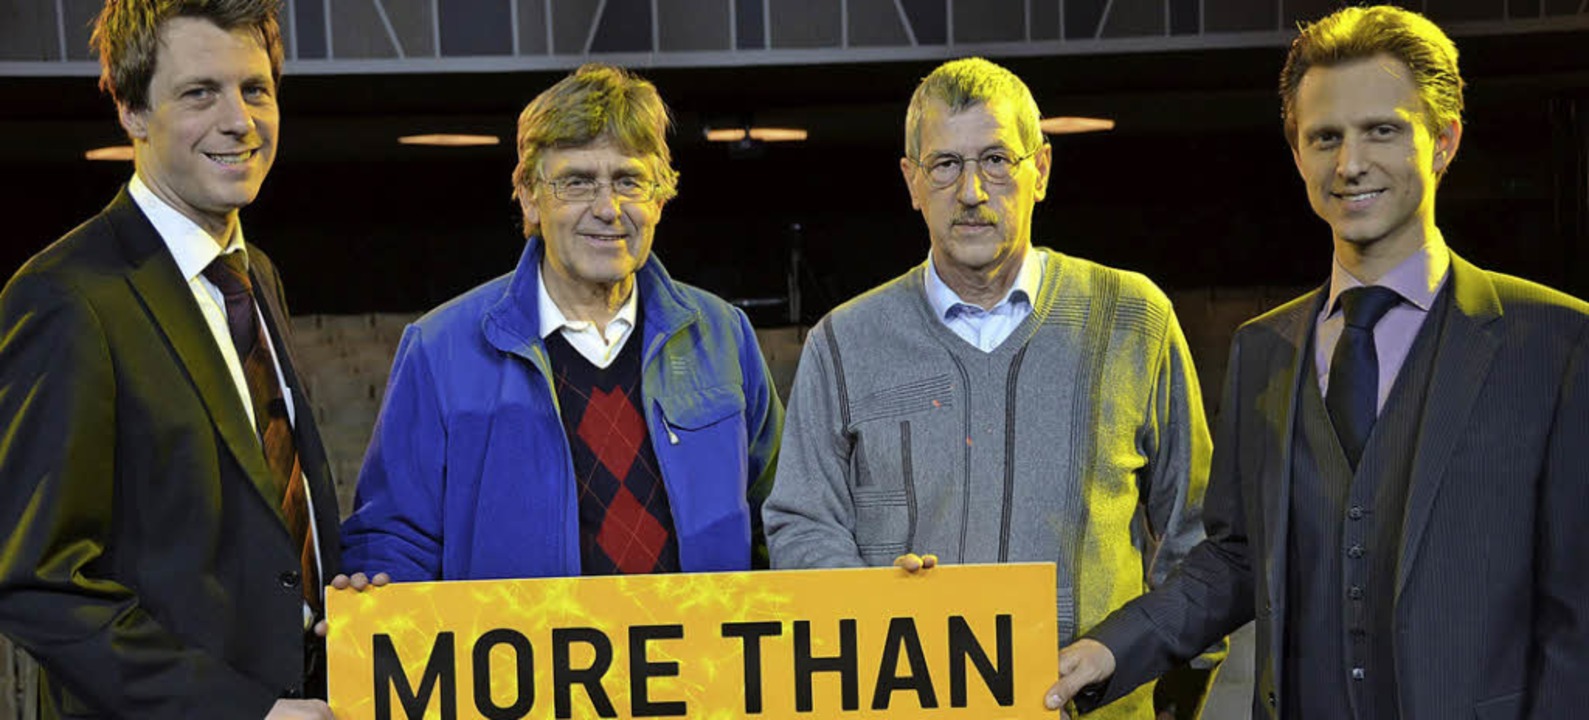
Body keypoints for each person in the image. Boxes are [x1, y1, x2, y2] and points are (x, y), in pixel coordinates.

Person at [1047, 6, 1589, 719]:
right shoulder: (1262, 348)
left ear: (1443, 141)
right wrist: (1112, 648)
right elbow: (1236, 559)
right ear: (1297, 154)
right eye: (1324, 137)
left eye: (1381, 130)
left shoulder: (1555, 343)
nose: (1350, 162)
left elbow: (1576, 616)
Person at [762, 57, 1219, 720]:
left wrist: (1166, 685)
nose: (972, 190)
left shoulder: (1132, 318)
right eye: (944, 164)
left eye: (997, 159)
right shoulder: (845, 341)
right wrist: (874, 597)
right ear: (910, 181)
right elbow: (801, 524)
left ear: (1042, 171)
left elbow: (1196, 536)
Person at [0, 1, 342, 718]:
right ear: (131, 111)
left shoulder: (257, 276)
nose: (239, 120)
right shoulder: (65, 297)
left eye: (255, 89)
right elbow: (38, 582)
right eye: (198, 93)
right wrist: (242, 712)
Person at [339, 64, 782, 584]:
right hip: (516, 664)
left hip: (701, 662)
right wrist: (375, 594)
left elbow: (778, 524)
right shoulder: (440, 351)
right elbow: (394, 542)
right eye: (576, 182)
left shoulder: (725, 337)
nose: (607, 208)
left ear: (660, 197)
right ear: (529, 195)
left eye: (628, 181)